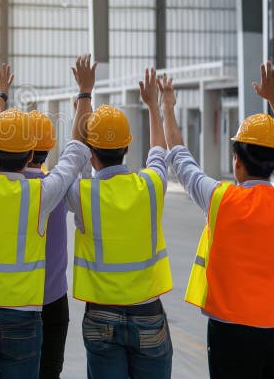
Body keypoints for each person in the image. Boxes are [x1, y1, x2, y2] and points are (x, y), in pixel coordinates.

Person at [160, 61, 274, 379]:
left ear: (236, 161)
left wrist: (166, 107)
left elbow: (178, 155)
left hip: (228, 333)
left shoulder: (218, 198)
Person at [0, 54, 95, 379]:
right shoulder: (43, 193)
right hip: (23, 315)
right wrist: (85, 94)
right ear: (32, 153)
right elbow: (76, 151)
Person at [66, 68, 173, 379]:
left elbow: (71, 158)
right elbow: (158, 151)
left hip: (101, 315)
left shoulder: (83, 194)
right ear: (127, 147)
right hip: (148, 312)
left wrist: (84, 97)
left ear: (90, 153)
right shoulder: (151, 186)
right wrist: (153, 105)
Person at [0, 62, 70, 379]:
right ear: (49, 148)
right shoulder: (59, 188)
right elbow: (77, 153)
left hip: (12, 301)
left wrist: (1, 95)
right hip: (52, 301)